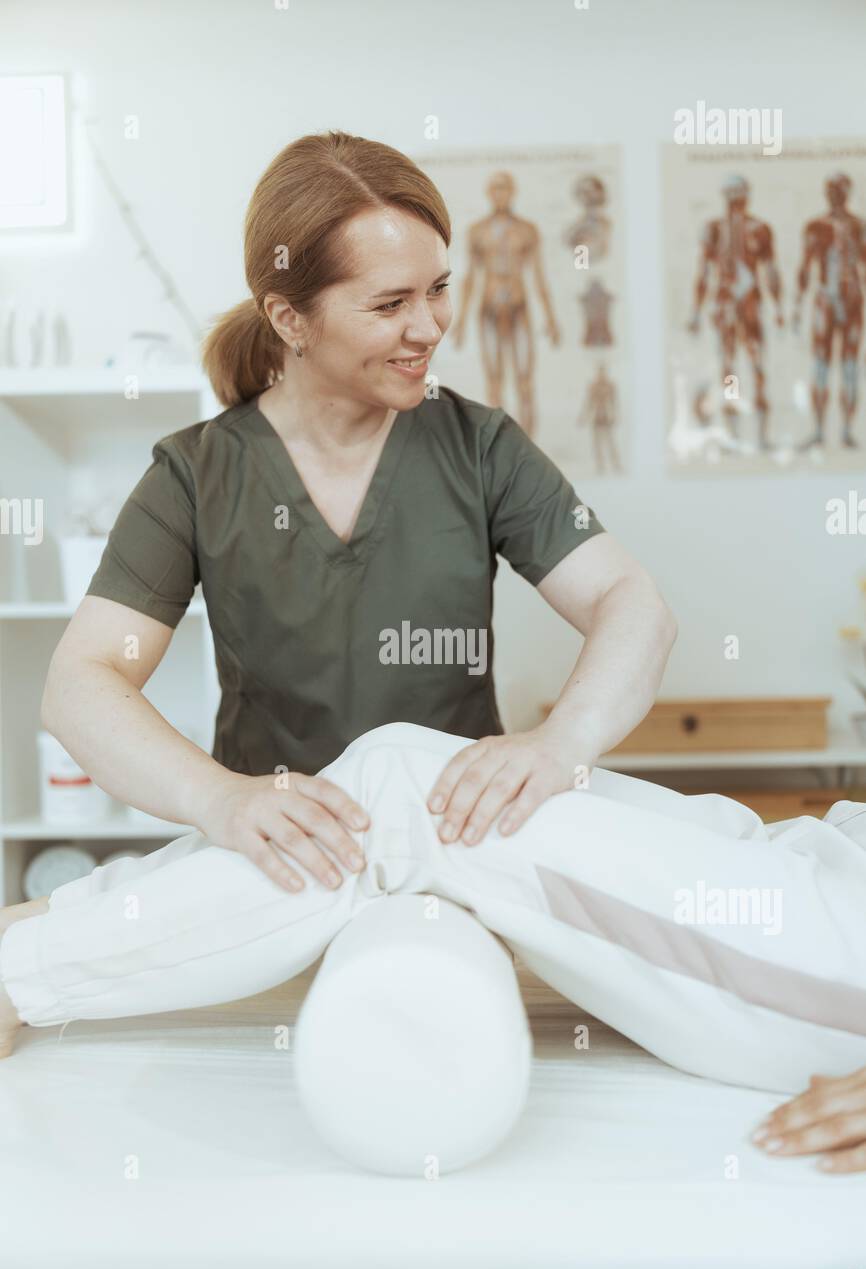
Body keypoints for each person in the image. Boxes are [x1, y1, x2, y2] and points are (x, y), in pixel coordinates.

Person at [37, 129, 676, 901]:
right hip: (282, 872)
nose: (431, 327)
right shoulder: (198, 474)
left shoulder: (479, 448)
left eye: (438, 288)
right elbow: (80, 681)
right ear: (290, 318)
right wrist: (218, 799)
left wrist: (559, 744)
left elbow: (629, 601)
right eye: (390, 304)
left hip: (455, 862)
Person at [2, 722, 866, 1176]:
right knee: (393, 762)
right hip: (832, 852)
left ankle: (18, 971)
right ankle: (33, 928)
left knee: (406, 800)